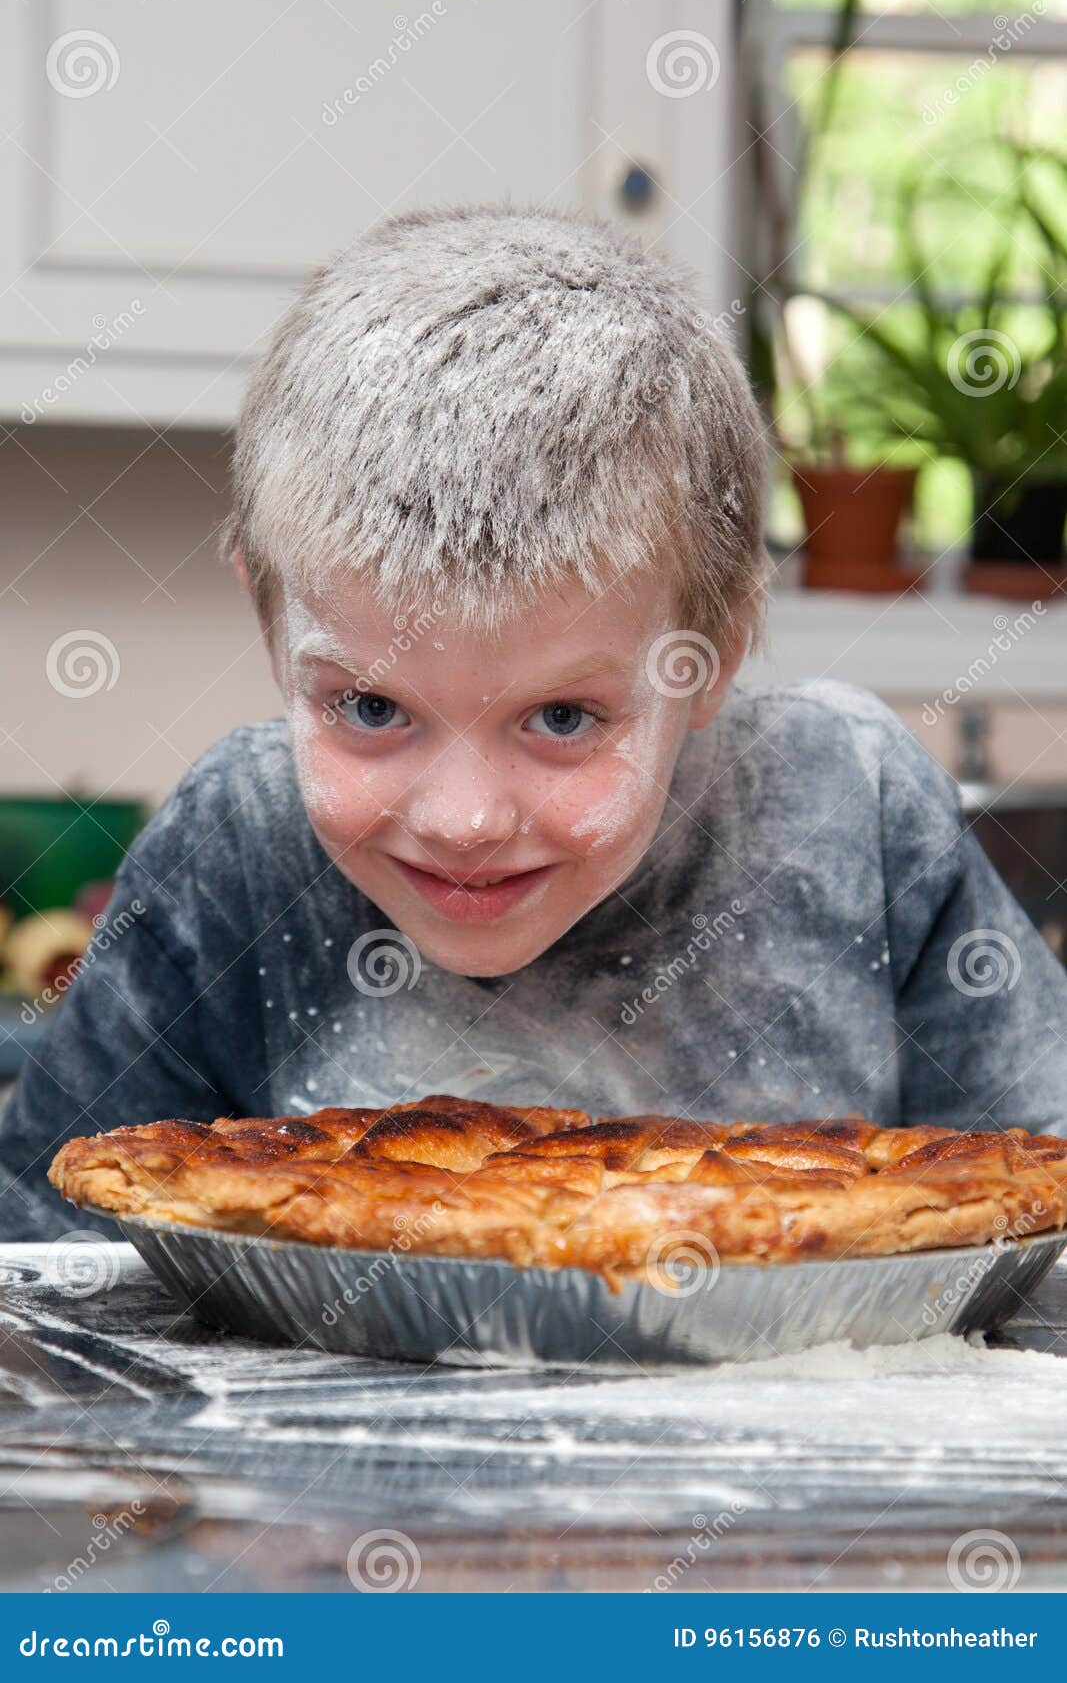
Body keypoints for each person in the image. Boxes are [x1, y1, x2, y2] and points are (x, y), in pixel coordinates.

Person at [4, 203, 1065, 1238]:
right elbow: (48, 1268)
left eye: (562, 716)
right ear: (274, 628)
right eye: (371, 708)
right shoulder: (233, 844)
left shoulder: (851, 803)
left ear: (715, 651)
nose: (463, 820)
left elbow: (1041, 1207)